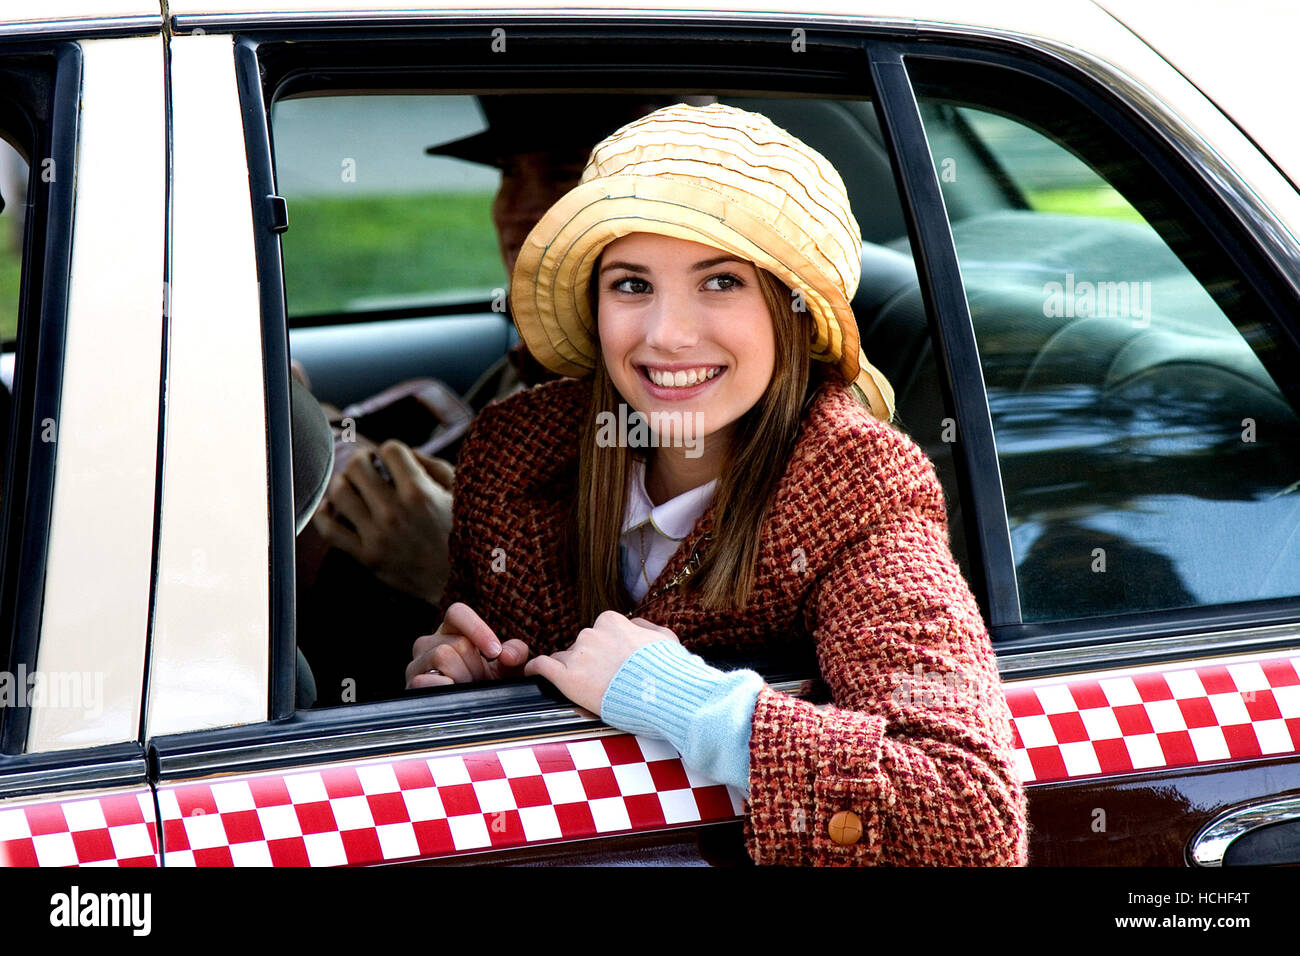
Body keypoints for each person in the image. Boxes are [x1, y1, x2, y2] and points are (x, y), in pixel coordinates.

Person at [402, 102, 1027, 865]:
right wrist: (461, 685)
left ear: (793, 312)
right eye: (631, 285)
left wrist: (683, 699)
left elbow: (969, 820)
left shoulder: (859, 487)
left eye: (720, 281)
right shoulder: (514, 454)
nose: (666, 333)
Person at [299, 95, 688, 703]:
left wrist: (450, 569)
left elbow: (649, 655)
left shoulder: (671, 408)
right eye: (509, 174)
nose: (519, 211)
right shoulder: (523, 392)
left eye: (560, 176)